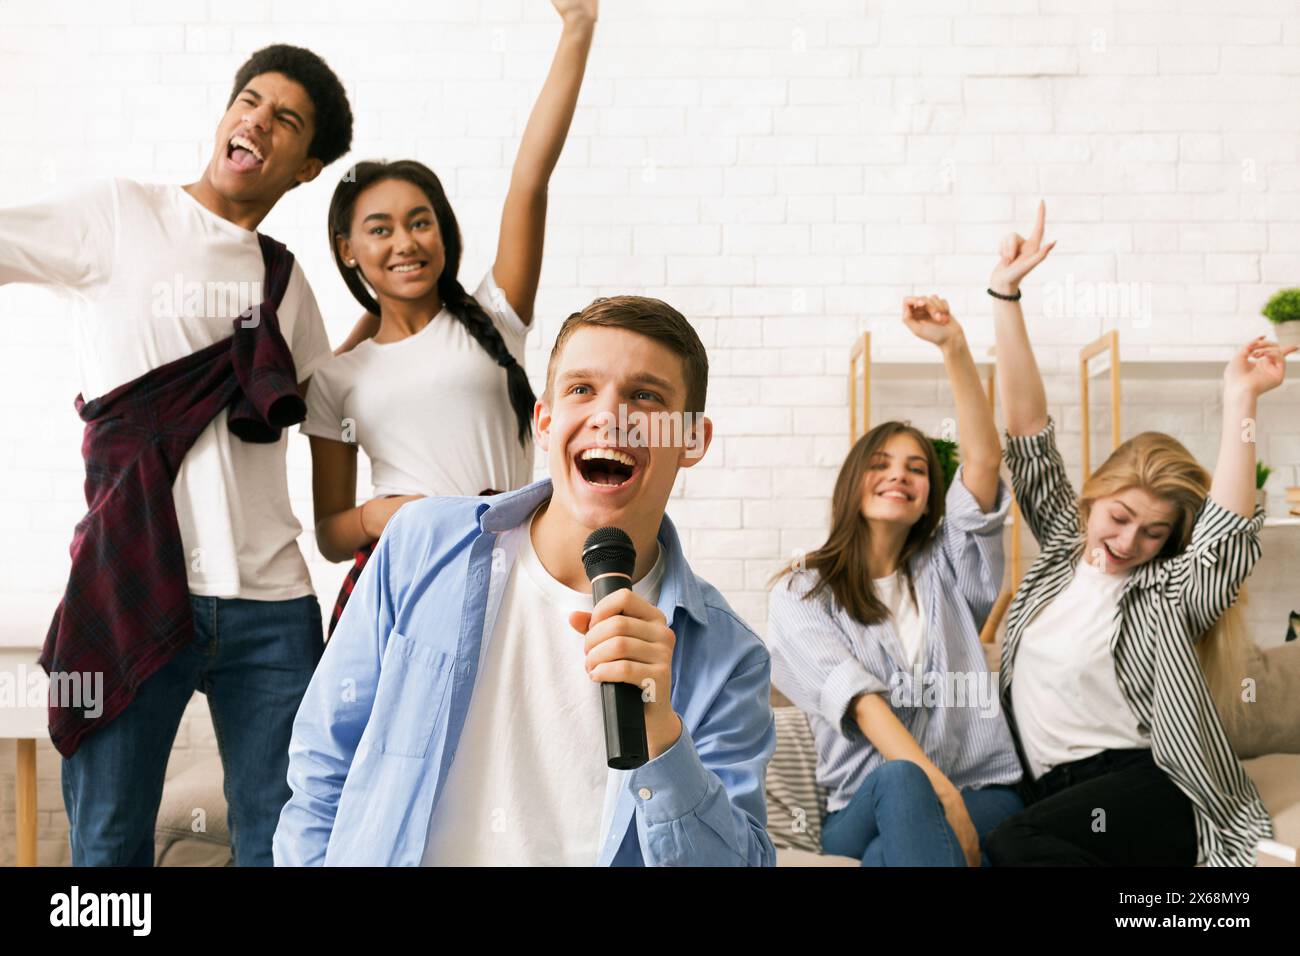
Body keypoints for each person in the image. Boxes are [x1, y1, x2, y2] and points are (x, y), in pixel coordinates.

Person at [0, 45, 354, 865]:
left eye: (287, 121)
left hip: (273, 606)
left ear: (305, 168)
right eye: (251, 101)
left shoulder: (286, 283)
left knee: (288, 842)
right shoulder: (120, 214)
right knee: (109, 844)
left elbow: (337, 398)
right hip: (133, 580)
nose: (258, 121)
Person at [273, 296, 776, 866]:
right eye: (582, 389)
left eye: (645, 396)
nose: (609, 416)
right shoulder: (420, 544)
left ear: (692, 440)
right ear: (544, 422)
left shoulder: (731, 656)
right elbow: (322, 767)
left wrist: (663, 737)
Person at [983, 202, 1292, 866]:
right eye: (1119, 519)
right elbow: (1027, 436)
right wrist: (1005, 294)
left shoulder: (1167, 590)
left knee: (1012, 843)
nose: (1128, 543)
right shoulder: (1063, 552)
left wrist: (1242, 399)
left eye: (1153, 533)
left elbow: (1228, 534)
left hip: (1150, 787)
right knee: (1014, 840)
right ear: (1091, 499)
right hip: (1061, 800)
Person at [302, 0, 598, 639]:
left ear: (442, 231)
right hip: (403, 575)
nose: (404, 242)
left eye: (420, 222)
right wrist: (381, 515)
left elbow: (530, 179)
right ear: (348, 249)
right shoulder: (337, 378)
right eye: (379, 229)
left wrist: (578, 26)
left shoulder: (495, 316)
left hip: (516, 566)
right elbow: (329, 532)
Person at [767, 296, 1023, 867]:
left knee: (896, 854)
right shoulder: (802, 592)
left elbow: (982, 468)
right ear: (854, 481)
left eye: (916, 468)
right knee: (904, 781)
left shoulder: (948, 567)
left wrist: (953, 346)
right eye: (882, 463)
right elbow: (858, 703)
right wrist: (941, 794)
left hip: (982, 792)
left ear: (932, 493)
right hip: (862, 805)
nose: (899, 476)